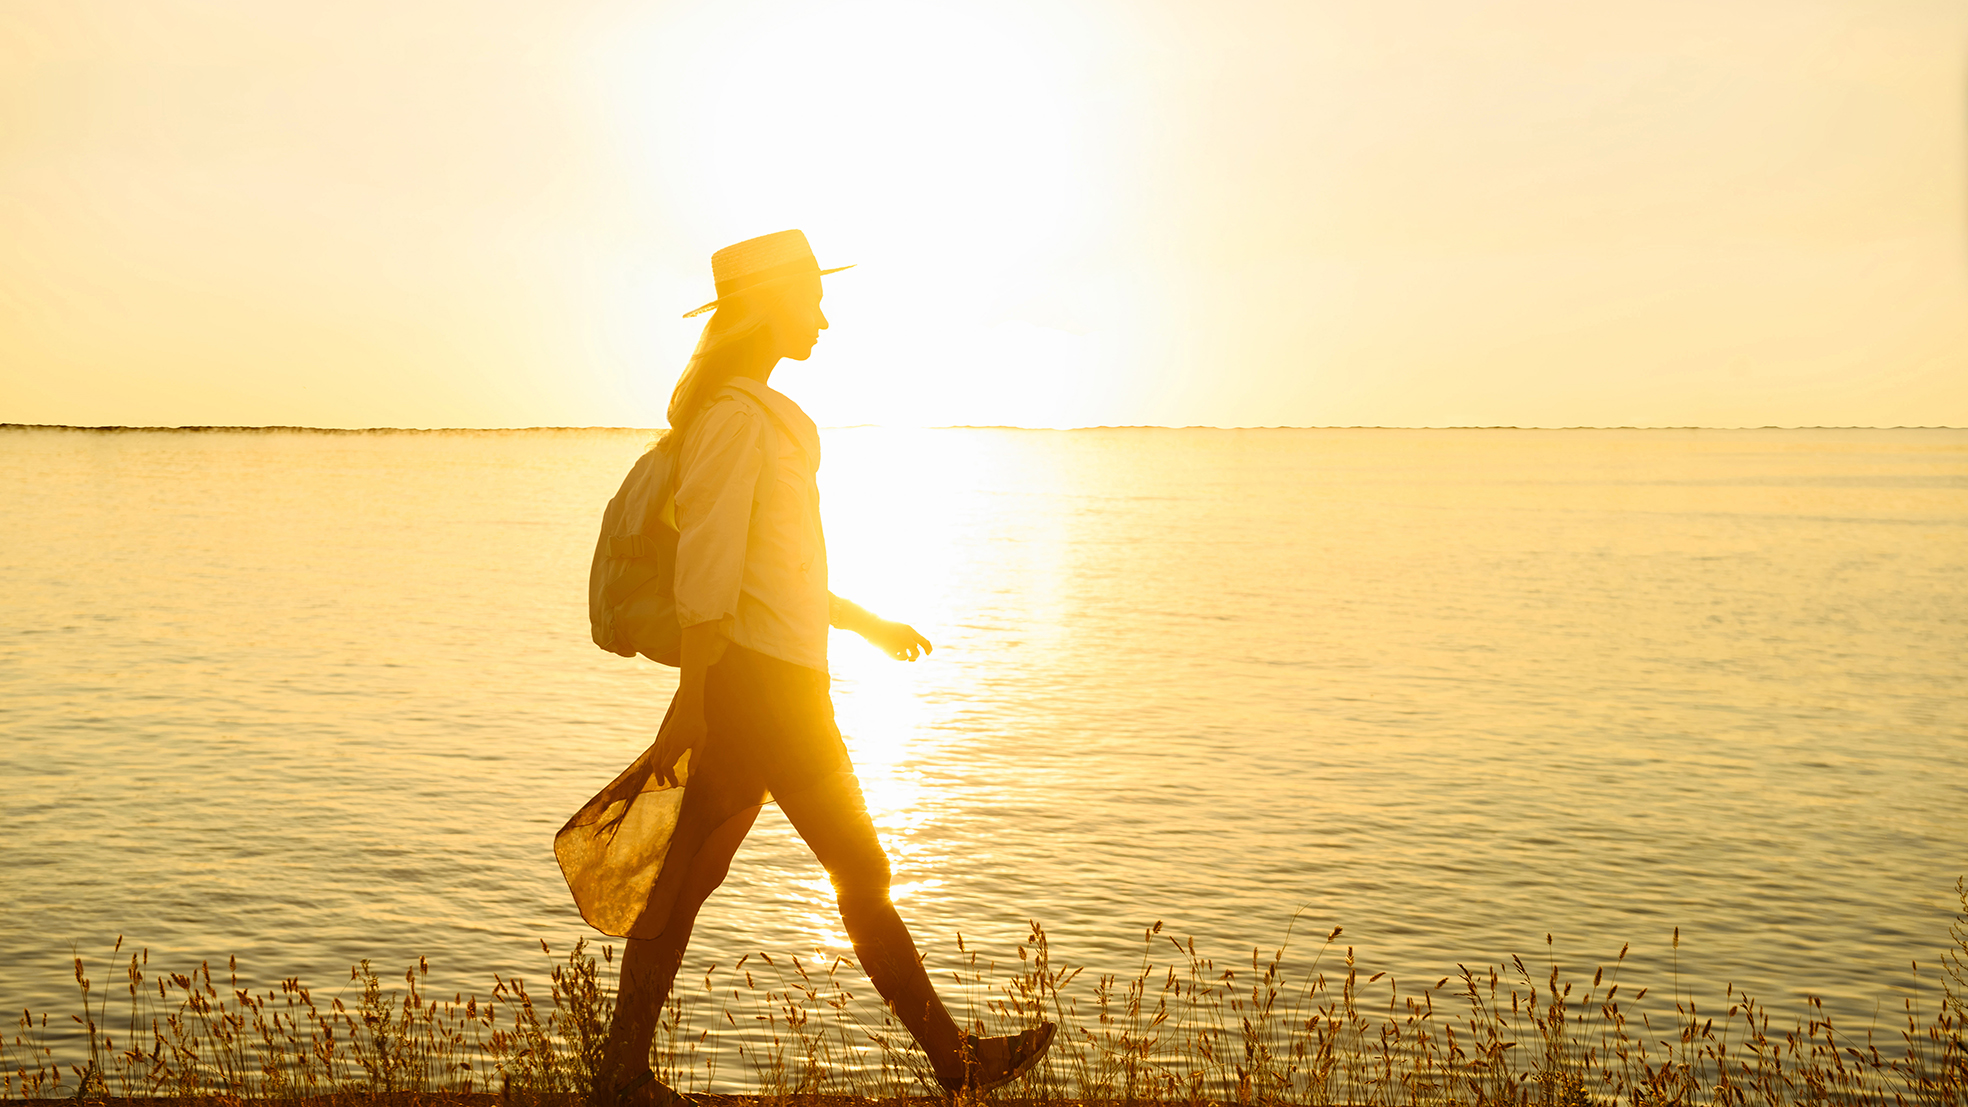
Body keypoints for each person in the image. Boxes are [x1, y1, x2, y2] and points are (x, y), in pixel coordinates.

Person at [597, 230, 1055, 1106]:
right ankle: (954, 1061)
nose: (825, 317)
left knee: (692, 878)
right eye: (811, 297)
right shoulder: (736, 415)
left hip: (777, 681)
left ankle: (620, 1073)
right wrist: (693, 699)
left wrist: (865, 623)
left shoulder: (756, 411)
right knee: (846, 869)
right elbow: (711, 566)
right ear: (769, 305)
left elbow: (779, 570)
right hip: (756, 689)